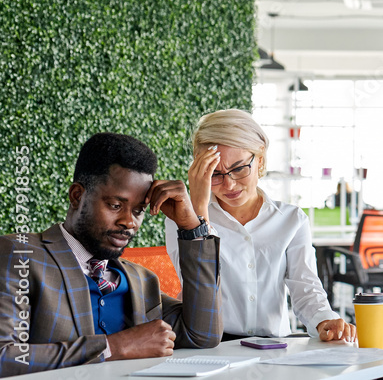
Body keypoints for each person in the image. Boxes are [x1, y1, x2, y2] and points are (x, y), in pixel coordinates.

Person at [0, 133, 222, 376]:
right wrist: (114, 346)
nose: (129, 222)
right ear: (77, 196)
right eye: (115, 206)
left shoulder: (142, 280)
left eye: (138, 210)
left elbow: (203, 335)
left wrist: (191, 229)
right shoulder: (20, 254)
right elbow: (5, 356)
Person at [165, 109, 355, 343]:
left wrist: (324, 319)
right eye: (214, 173)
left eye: (238, 168)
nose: (229, 184)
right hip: (208, 344)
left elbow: (305, 286)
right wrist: (199, 209)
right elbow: (198, 284)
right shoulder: (183, 218)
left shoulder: (291, 220)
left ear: (260, 160)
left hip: (273, 346)